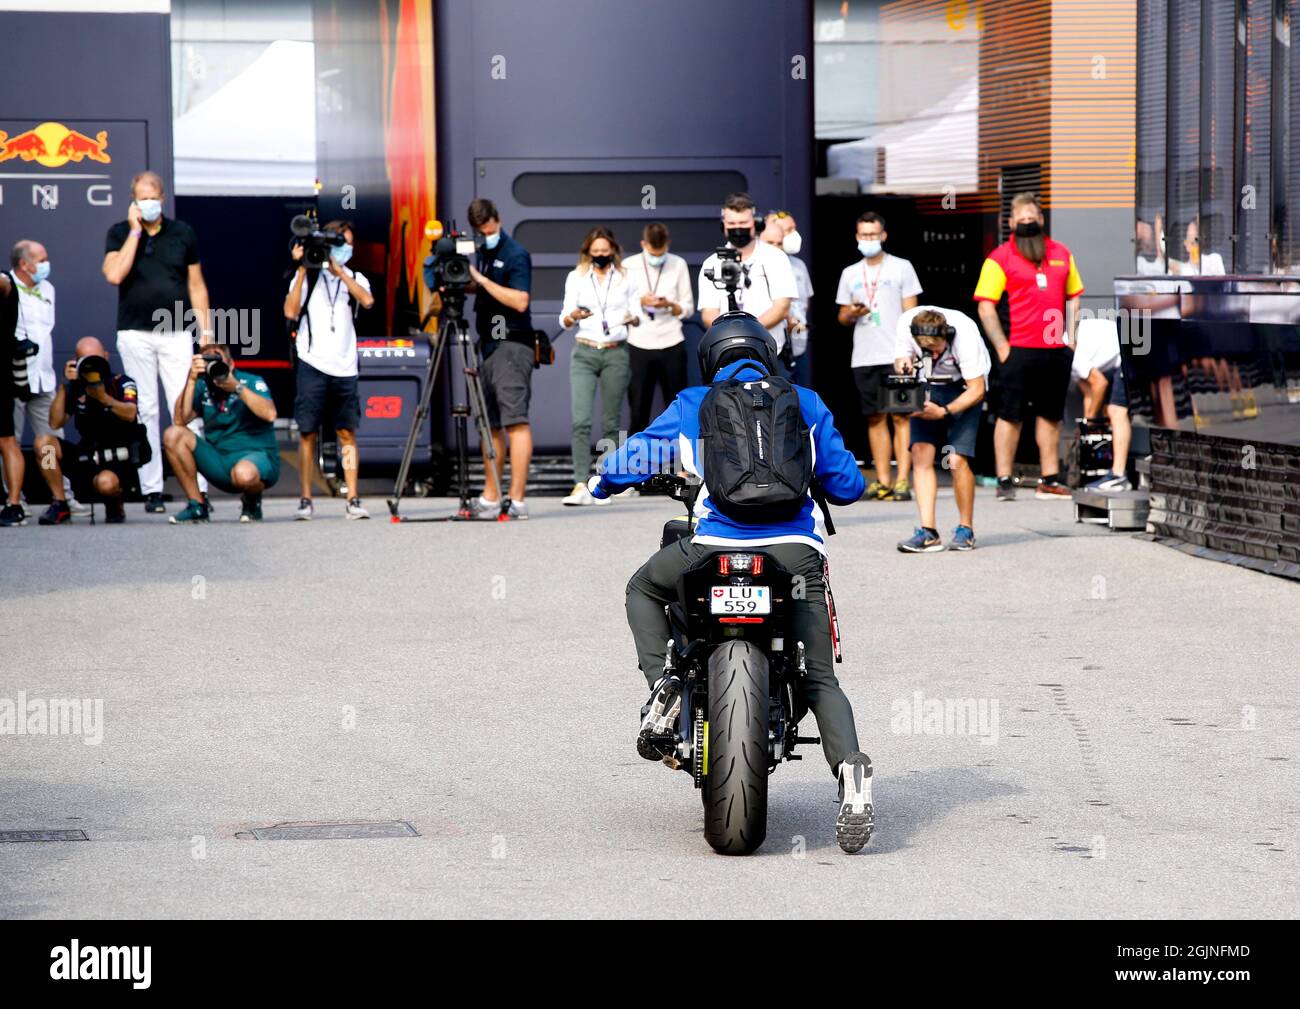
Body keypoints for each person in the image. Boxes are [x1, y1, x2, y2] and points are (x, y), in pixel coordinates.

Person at [588, 311, 874, 852]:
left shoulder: (694, 403)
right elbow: (848, 484)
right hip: (793, 558)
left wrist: (602, 482)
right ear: (767, 354)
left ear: (710, 358)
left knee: (642, 588)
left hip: (711, 549)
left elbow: (632, 456)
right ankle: (854, 780)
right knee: (818, 679)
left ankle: (664, 687)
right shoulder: (806, 402)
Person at [102, 170, 212, 514]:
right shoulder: (119, 232)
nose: (146, 203)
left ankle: (199, 488)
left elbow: (196, 285)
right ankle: (151, 489)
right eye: (140, 197)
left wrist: (206, 334)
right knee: (145, 409)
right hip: (135, 332)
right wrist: (135, 231)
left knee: (185, 409)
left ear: (162, 198)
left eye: (151, 197)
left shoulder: (183, 233)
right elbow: (114, 274)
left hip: (177, 331)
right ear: (133, 200)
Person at [973, 192, 1083, 501]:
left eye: (1031, 219)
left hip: (1055, 351)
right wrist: (1002, 347)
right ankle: (1005, 478)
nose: (1027, 224)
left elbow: (1074, 295)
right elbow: (985, 306)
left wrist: (1071, 338)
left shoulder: (1061, 252)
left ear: (1041, 220)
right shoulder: (999, 258)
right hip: (1017, 350)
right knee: (1010, 415)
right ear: (1010, 223)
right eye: (1021, 220)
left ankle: (1049, 478)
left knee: (1050, 416)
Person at [284, 219, 375, 520]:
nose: (344, 248)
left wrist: (340, 273)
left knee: (346, 432)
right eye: (338, 243)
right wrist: (301, 269)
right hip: (313, 362)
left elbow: (367, 301)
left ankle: (352, 497)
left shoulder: (356, 276)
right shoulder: (308, 275)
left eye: (347, 243)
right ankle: (306, 498)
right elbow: (290, 311)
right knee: (308, 431)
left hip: (345, 366)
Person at [835, 211, 922, 501]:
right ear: (857, 237)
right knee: (874, 418)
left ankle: (902, 480)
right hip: (865, 354)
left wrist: (909, 351)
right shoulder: (850, 273)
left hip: (896, 353)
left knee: (902, 416)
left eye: (873, 235)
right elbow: (842, 317)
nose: (868, 240)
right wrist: (852, 312)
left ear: (883, 235)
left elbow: (912, 313)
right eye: (863, 235)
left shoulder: (901, 267)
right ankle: (883, 479)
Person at [892, 306, 989, 552]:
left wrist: (945, 411)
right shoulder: (905, 325)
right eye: (927, 350)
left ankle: (965, 529)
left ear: (946, 337)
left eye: (936, 349)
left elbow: (978, 389)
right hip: (928, 384)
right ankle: (928, 532)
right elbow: (900, 361)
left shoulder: (965, 333)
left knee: (955, 459)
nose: (933, 355)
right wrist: (904, 370)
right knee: (921, 453)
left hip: (964, 388)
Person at [3, 240, 85, 520]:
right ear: (24, 264)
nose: (46, 264)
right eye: (41, 259)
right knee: (8, 443)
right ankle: (15, 500)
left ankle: (61, 495)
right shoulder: (5, 287)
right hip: (12, 379)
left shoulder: (48, 289)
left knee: (48, 442)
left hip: (44, 379)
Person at [558, 226, 640, 506]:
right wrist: (573, 315)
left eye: (605, 252)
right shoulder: (577, 277)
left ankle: (606, 483)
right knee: (580, 420)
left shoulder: (627, 277)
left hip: (616, 350)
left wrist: (632, 318)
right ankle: (580, 482)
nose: (601, 257)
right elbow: (564, 320)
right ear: (588, 253)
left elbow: (639, 313)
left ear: (614, 252)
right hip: (585, 350)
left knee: (611, 421)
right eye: (596, 253)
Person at [162, 344, 279, 524]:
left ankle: (252, 500)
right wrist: (191, 380)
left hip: (256, 456)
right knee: (173, 435)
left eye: (218, 362)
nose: (214, 367)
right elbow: (179, 421)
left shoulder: (250, 381)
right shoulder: (203, 386)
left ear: (231, 364)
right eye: (208, 362)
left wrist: (236, 387)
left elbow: (270, 414)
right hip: (220, 460)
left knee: (244, 474)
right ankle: (197, 505)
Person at [35, 337, 144, 524]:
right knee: (44, 445)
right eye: (86, 361)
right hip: (86, 455)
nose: (92, 367)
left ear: (106, 357)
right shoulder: (75, 388)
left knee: (106, 484)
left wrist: (104, 398)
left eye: (96, 359)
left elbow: (130, 414)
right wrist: (63, 387)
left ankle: (114, 501)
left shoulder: (122, 382)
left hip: (117, 457)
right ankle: (60, 503)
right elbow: (55, 423)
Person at [698, 192, 797, 359]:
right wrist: (732, 337)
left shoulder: (776, 258)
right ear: (724, 226)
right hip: (727, 355)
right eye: (732, 223)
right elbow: (708, 314)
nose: (737, 228)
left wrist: (748, 333)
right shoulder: (712, 263)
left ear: (756, 223)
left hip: (770, 352)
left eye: (743, 222)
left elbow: (781, 307)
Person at [623, 222, 693, 435]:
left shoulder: (678, 264)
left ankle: (680, 461)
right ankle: (637, 462)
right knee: (638, 408)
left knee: (677, 405)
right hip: (639, 341)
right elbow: (621, 308)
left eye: (661, 252)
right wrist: (640, 302)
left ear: (668, 244)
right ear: (643, 244)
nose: (657, 257)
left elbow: (688, 308)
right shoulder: (628, 265)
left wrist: (669, 304)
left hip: (671, 340)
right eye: (653, 253)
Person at [1072, 318, 1132, 492]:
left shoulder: (1069, 351)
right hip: (1121, 354)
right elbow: (1089, 393)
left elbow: (1100, 384)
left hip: (1130, 350)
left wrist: (1089, 423)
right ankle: (1113, 471)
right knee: (1110, 412)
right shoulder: (1065, 348)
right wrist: (1086, 427)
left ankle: (1118, 476)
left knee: (1116, 411)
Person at [762, 210, 814, 385]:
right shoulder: (758, 267)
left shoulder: (799, 265)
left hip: (799, 345)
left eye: (795, 229)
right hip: (773, 347)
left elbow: (805, 303)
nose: (794, 235)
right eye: (788, 230)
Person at [0, 265, 27, 526]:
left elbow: (4, 283)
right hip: (22, 377)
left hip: (39, 382)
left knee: (46, 444)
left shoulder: (6, 280)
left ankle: (61, 496)